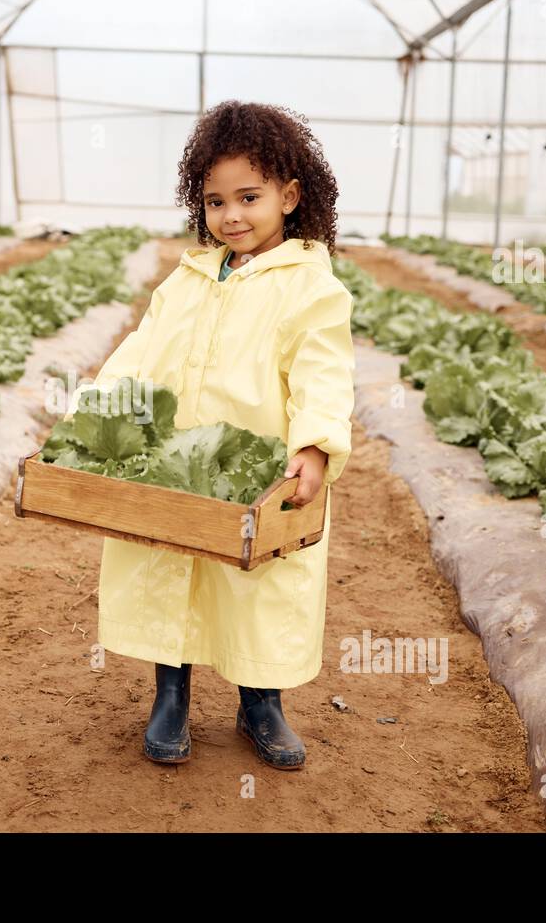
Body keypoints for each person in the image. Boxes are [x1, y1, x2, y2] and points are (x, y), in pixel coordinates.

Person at [83, 100, 355, 770]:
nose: (230, 216)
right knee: (168, 569)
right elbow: (142, 349)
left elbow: (323, 367)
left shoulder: (309, 285)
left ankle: (261, 701)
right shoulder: (191, 276)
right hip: (177, 465)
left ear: (290, 197)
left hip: (258, 471)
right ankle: (169, 696)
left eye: (249, 197)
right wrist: (97, 411)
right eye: (214, 201)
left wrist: (314, 445)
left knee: (257, 583)